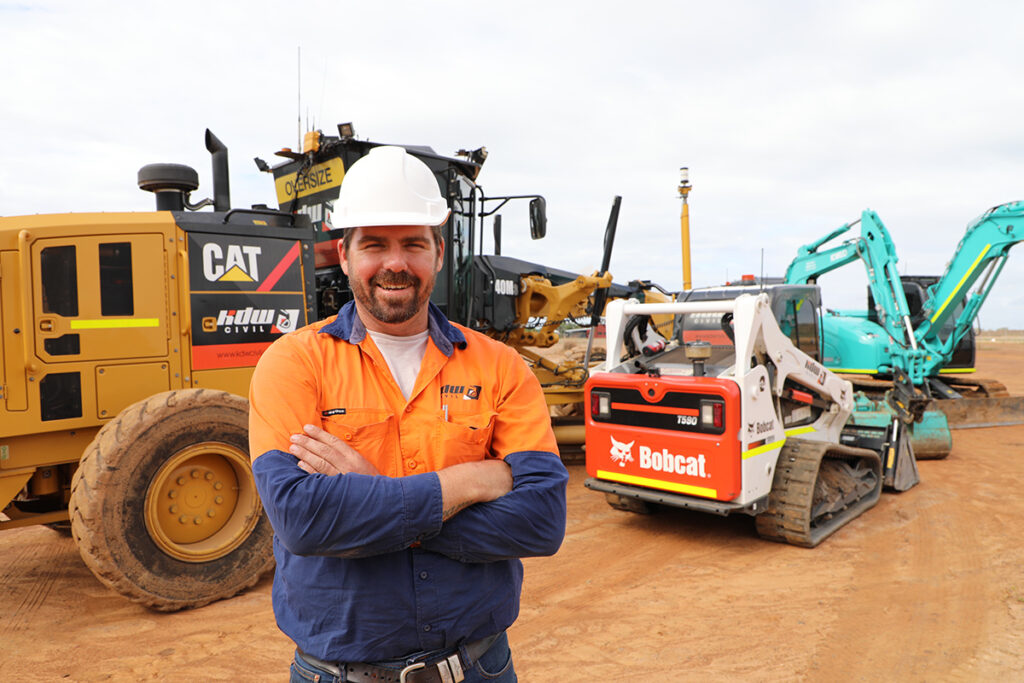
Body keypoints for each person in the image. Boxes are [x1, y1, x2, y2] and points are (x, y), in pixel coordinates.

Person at [248, 145, 569, 683]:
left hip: (479, 667)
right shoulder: (294, 363)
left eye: (412, 244)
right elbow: (302, 519)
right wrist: (467, 481)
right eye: (374, 244)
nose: (395, 263)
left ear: (437, 254)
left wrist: (375, 494)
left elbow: (540, 522)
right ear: (345, 255)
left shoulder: (501, 366)